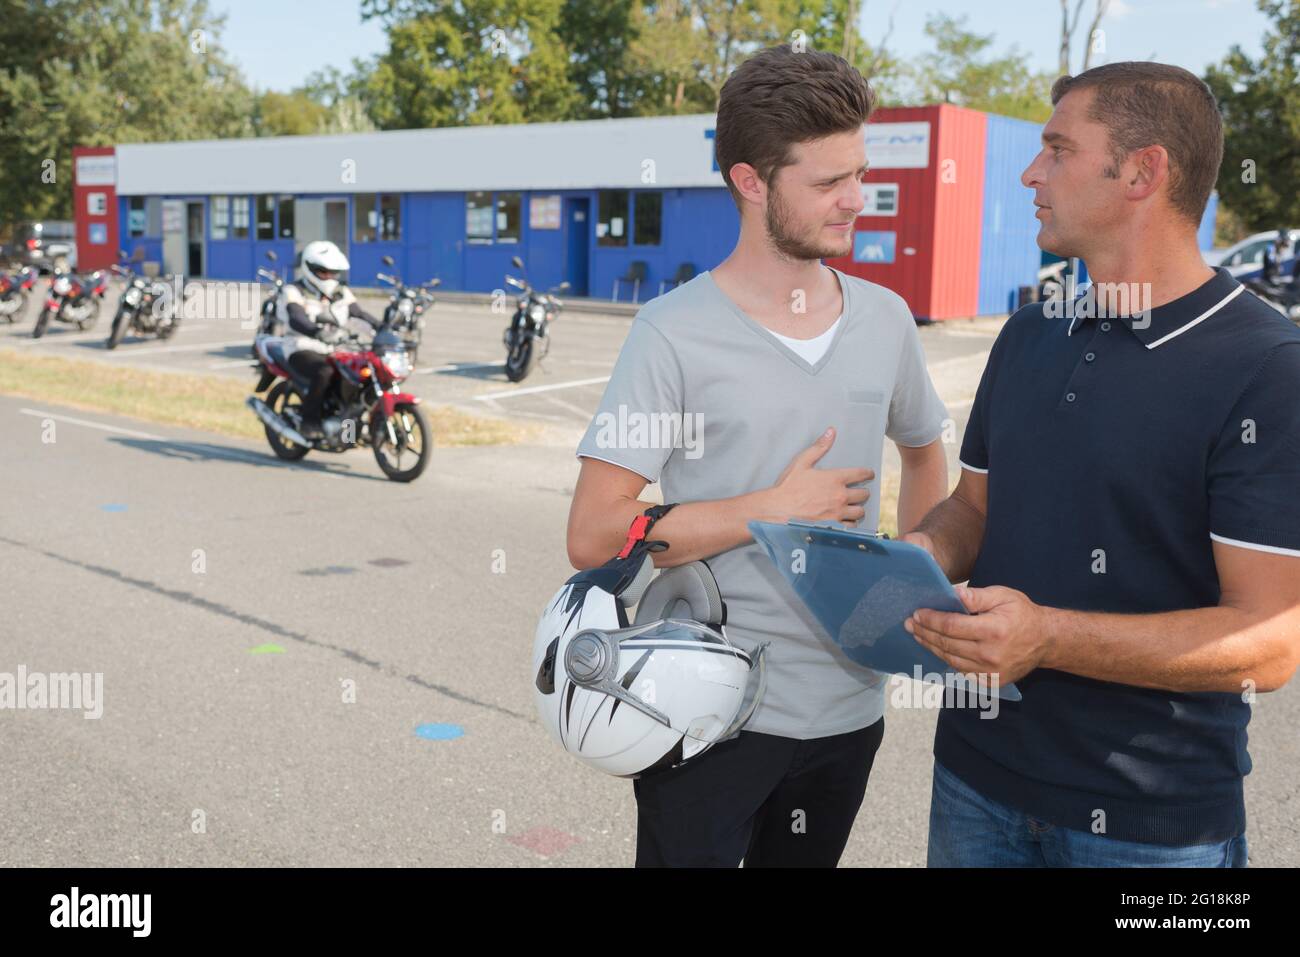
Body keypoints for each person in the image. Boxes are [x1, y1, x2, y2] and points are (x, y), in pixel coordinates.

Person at [901, 62, 1300, 867]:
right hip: (974, 783)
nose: (1029, 172)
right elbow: (971, 511)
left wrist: (1048, 637)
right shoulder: (1028, 332)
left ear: (1143, 171)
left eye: (1056, 149)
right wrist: (917, 555)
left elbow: (1272, 641)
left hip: (1152, 828)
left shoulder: (1266, 366)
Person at [567, 44, 950, 867]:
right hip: (703, 715)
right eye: (827, 183)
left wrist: (918, 566)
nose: (858, 200)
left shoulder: (886, 319)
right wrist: (765, 511)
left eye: (859, 173)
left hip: (849, 714)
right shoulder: (669, 333)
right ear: (751, 181)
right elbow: (596, 536)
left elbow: (925, 451)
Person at [276, 240, 379, 439]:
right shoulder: (293, 291)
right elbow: (296, 318)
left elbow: (358, 315)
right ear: (310, 269)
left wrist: (383, 329)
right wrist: (316, 331)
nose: (330, 277)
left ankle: (350, 432)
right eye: (324, 272)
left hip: (335, 348)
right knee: (324, 372)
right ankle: (310, 421)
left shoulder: (341, 292)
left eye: (334, 272)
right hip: (301, 346)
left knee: (355, 380)